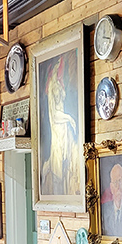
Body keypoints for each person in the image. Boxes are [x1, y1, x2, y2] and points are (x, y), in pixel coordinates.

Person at [41, 58, 79, 196]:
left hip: (64, 131)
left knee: (68, 168)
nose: (59, 70)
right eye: (57, 68)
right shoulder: (52, 88)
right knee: (57, 170)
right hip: (57, 132)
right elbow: (55, 115)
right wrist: (69, 118)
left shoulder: (59, 85)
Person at [101, 162, 122, 238]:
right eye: (115, 182)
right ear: (111, 187)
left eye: (120, 181)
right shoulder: (103, 210)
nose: (118, 186)